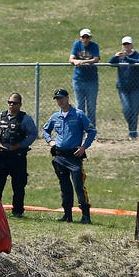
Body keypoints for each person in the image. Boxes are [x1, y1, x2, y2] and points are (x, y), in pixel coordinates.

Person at [40, 88, 97, 224]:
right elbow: (45, 130)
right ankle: (67, 215)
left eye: (61, 98)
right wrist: (49, 141)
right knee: (64, 186)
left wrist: (84, 147)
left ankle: (85, 215)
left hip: (74, 156)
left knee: (79, 185)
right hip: (60, 156)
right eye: (57, 99)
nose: (60, 101)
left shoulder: (78, 114)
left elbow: (92, 131)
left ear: (67, 98)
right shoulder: (55, 116)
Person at [0, 92, 38, 218]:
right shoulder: (0, 117)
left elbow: (33, 134)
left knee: (18, 185)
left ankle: (17, 211)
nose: (11, 105)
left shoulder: (25, 118)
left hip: (17, 156)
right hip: (1, 156)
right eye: (9, 102)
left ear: (20, 104)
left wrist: (20, 145)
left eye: (14, 103)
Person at [108, 36, 139, 140]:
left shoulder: (136, 54)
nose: (126, 46)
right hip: (123, 87)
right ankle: (132, 129)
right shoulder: (120, 55)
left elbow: (138, 62)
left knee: (135, 110)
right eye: (124, 44)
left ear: (132, 45)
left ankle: (133, 133)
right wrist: (115, 56)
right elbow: (110, 63)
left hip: (136, 87)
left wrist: (126, 58)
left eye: (128, 44)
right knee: (127, 109)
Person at [69, 28, 100, 126]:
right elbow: (71, 58)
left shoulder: (94, 46)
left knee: (91, 107)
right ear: (80, 38)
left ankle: (91, 130)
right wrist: (75, 61)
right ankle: (80, 130)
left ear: (90, 38)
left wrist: (84, 62)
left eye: (87, 37)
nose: (85, 39)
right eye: (83, 37)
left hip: (92, 81)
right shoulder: (77, 45)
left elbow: (96, 58)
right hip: (78, 79)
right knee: (80, 107)